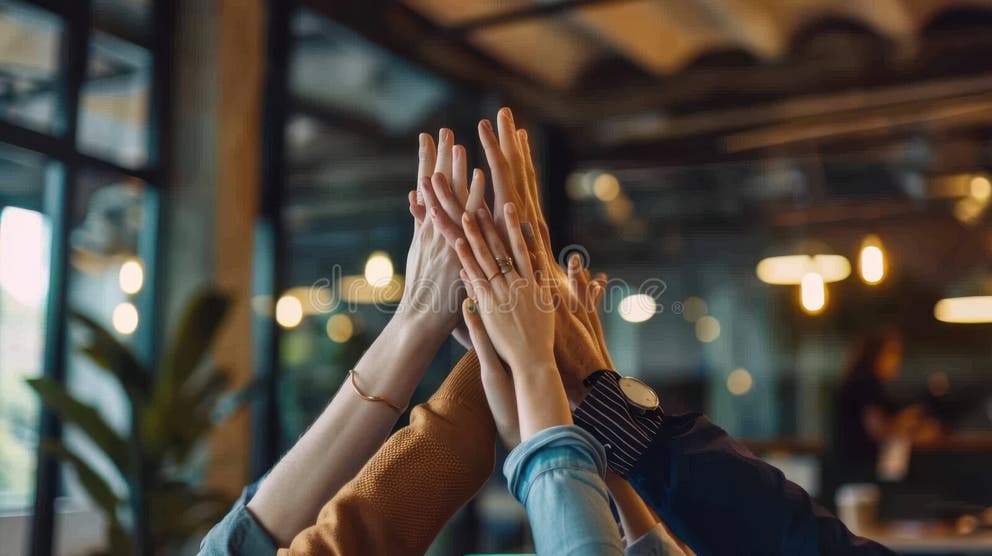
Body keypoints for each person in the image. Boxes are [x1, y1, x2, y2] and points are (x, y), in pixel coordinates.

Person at [831, 330, 942, 488]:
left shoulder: (862, 383)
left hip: (853, 471)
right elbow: (878, 430)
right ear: (875, 354)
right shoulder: (865, 383)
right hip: (858, 473)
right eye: (893, 354)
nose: (897, 361)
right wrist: (907, 420)